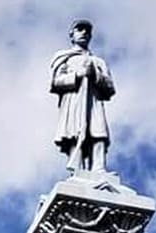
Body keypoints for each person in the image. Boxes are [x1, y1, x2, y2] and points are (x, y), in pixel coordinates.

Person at [50, 20, 115, 173]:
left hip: (94, 101)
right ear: (72, 35)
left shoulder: (98, 62)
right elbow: (55, 82)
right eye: (79, 30)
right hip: (74, 101)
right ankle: (78, 170)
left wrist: (96, 75)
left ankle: (99, 169)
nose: (84, 33)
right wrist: (77, 76)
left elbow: (110, 88)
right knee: (75, 134)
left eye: (87, 31)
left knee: (99, 133)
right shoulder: (64, 57)